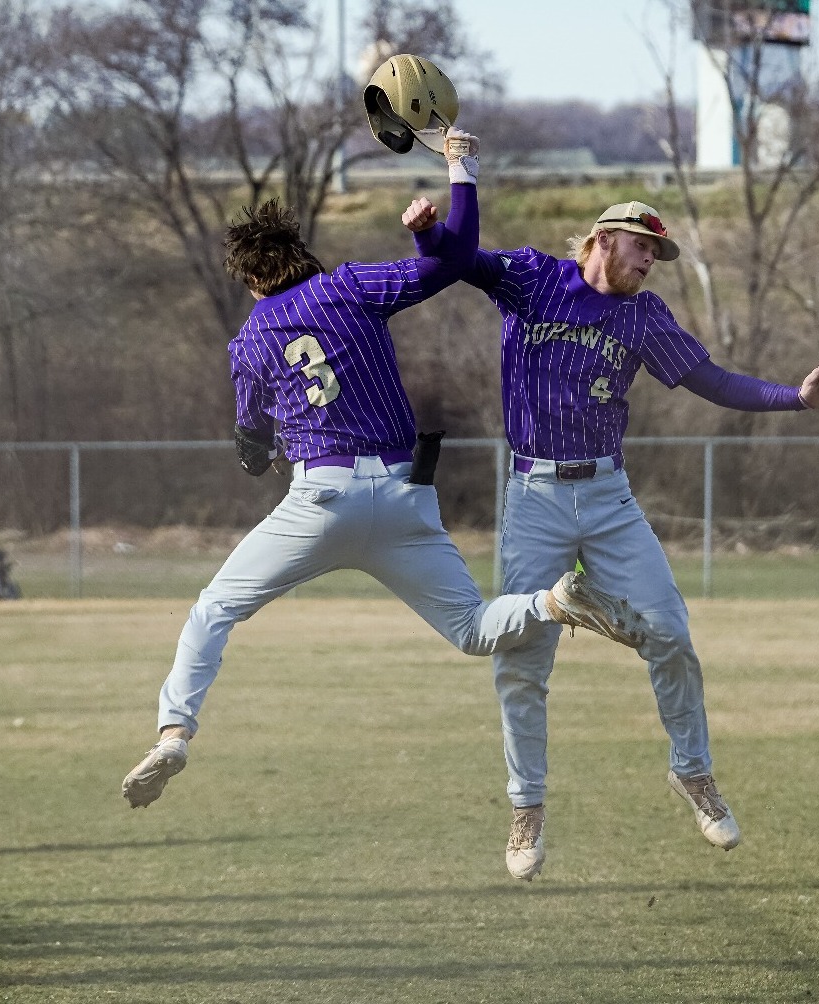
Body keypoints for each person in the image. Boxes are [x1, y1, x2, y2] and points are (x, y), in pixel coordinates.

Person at [121, 130, 649, 811]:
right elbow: (452, 261)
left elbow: (250, 442)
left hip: (322, 498)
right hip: (405, 496)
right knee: (472, 630)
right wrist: (461, 169)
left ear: (250, 279)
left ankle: (173, 733)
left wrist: (258, 445)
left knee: (213, 611)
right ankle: (555, 601)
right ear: (303, 255)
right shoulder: (347, 288)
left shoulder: (250, 339)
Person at [409, 200, 819, 879]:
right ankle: (526, 808)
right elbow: (459, 261)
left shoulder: (642, 316)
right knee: (520, 661)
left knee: (668, 628)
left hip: (608, 497)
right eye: (643, 248)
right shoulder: (532, 279)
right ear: (605, 241)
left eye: (656, 254)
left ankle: (692, 773)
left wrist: (794, 398)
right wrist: (428, 231)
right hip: (534, 498)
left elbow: (712, 380)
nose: (650, 261)